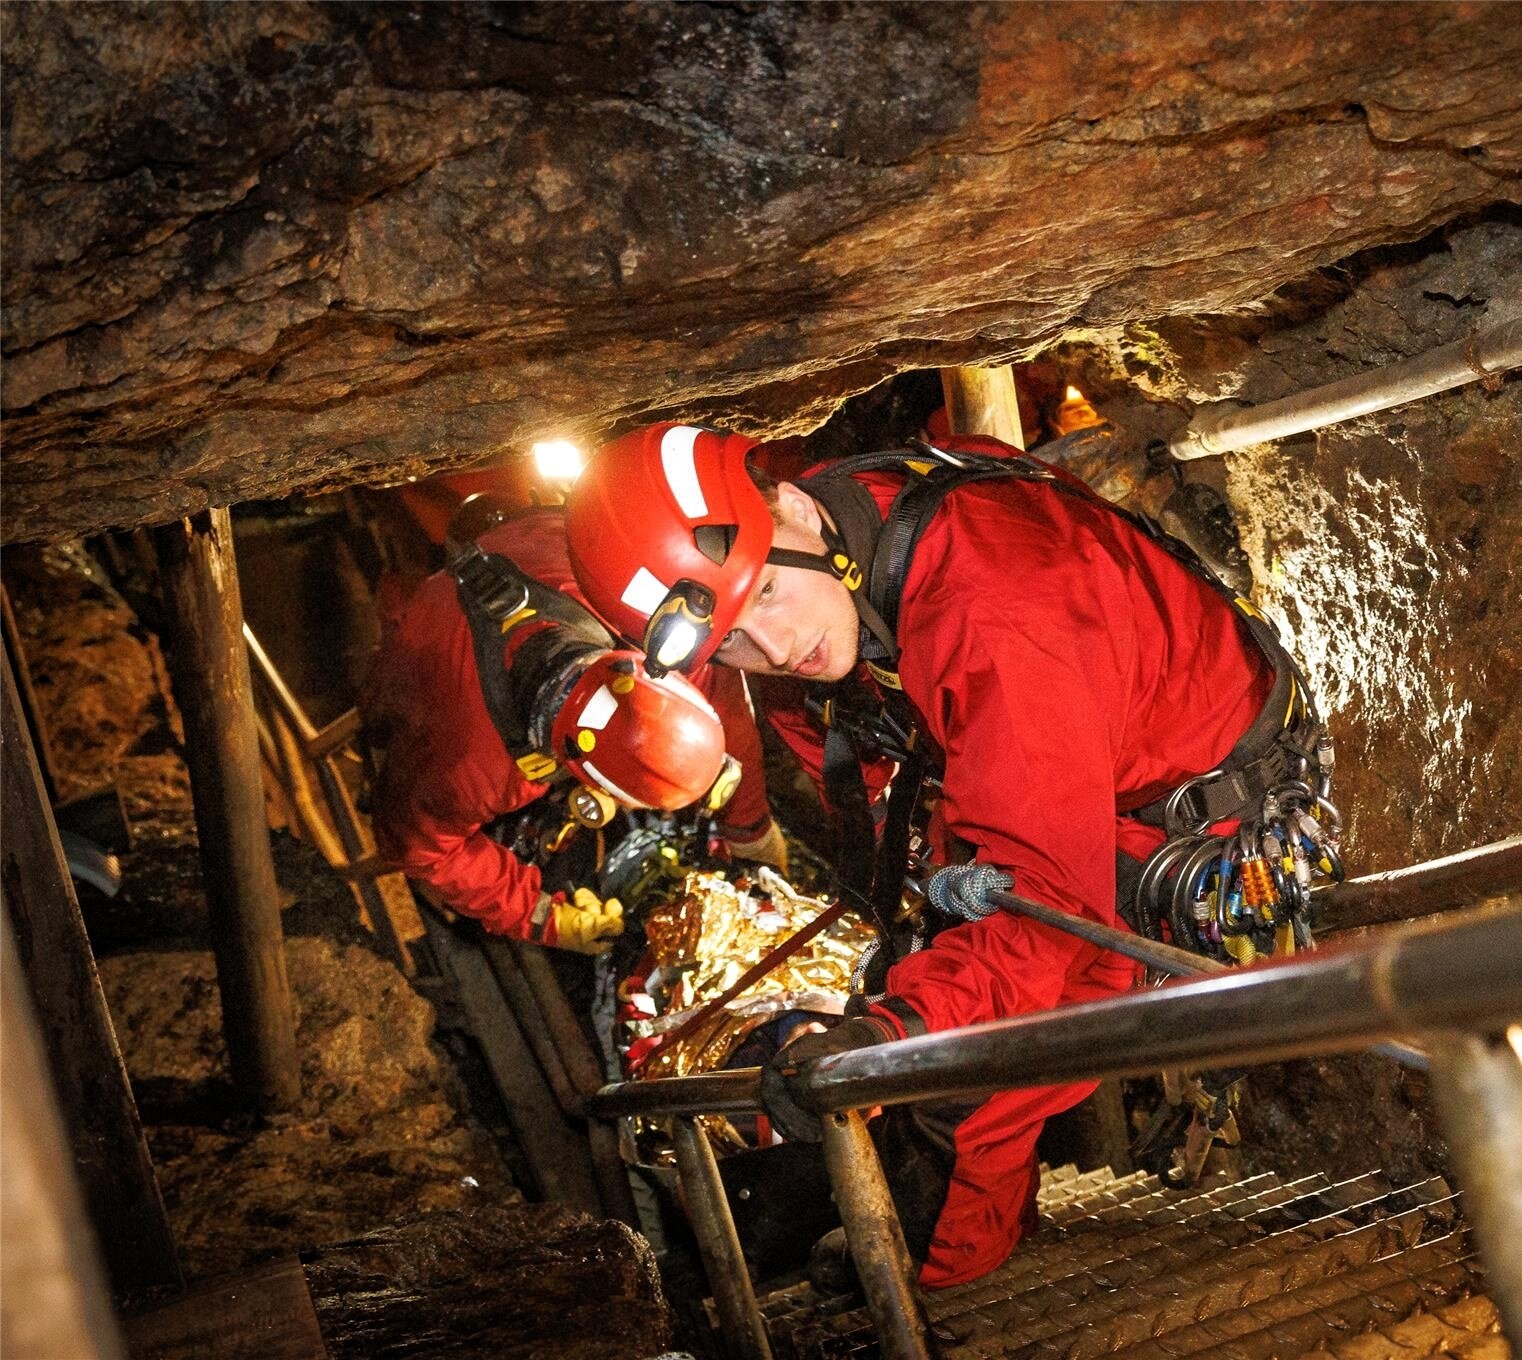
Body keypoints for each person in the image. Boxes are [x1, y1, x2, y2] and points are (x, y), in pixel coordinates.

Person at [565, 422, 1336, 1286]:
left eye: (770, 594)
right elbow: (883, 759)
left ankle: (944, 1281)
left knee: (963, 1071)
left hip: (1186, 832)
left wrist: (897, 1031)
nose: (777, 649)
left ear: (785, 506)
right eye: (735, 638)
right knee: (928, 980)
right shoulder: (849, 526)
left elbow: (1044, 904)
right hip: (1075, 786)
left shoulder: (994, 613)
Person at [369, 505, 788, 952]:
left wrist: (751, 826)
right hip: (421, 642)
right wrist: (541, 916)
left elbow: (718, 690)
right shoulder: (472, 768)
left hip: (520, 533)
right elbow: (419, 847)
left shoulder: (638, 608)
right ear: (590, 788)